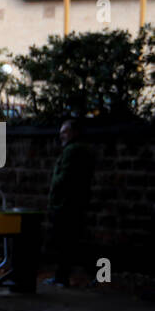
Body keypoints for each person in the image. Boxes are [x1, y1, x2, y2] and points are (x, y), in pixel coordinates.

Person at [45, 118, 95, 286]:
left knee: (65, 242)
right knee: (69, 241)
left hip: (67, 204)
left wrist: (55, 186)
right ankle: (62, 276)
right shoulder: (80, 150)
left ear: (74, 132)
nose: (61, 135)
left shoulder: (73, 151)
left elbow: (65, 178)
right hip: (74, 202)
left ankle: (64, 277)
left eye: (65, 131)